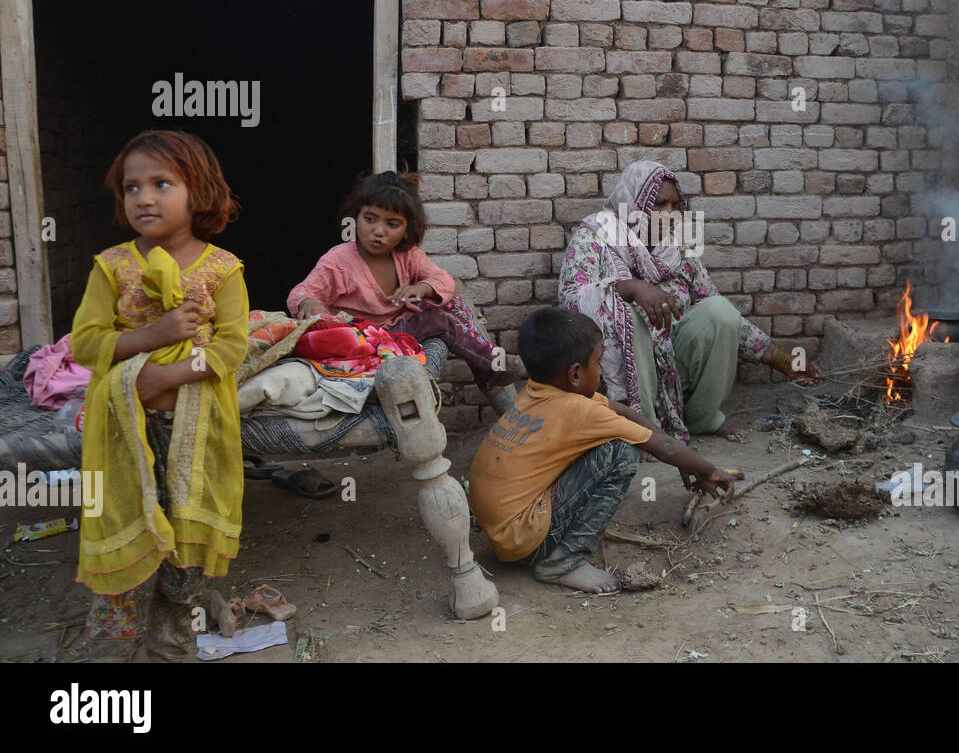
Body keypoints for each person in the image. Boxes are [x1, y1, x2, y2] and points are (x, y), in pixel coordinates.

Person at [71, 130, 249, 661]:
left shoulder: (223, 269)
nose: (144, 198)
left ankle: (171, 643)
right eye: (132, 187)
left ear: (200, 193)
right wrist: (153, 337)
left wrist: (165, 376)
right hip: (123, 430)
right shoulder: (112, 267)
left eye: (161, 183)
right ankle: (108, 653)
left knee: (185, 546)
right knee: (125, 523)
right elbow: (85, 341)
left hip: (194, 433)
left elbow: (232, 347)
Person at [468, 307, 736, 593]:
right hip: (523, 541)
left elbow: (620, 411)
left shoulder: (535, 391)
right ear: (574, 374)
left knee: (611, 441)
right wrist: (707, 470)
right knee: (620, 452)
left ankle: (552, 547)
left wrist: (680, 456)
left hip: (503, 534)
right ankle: (563, 561)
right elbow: (666, 449)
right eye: (598, 361)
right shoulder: (579, 411)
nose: (601, 369)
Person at [558, 160, 821, 444]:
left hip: (670, 369)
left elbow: (716, 307)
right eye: (659, 204)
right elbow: (571, 302)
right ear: (635, 203)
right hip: (616, 377)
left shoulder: (677, 249)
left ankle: (703, 417)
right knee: (625, 313)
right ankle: (643, 429)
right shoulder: (595, 238)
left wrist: (782, 360)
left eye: (675, 205)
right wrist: (629, 288)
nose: (669, 214)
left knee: (719, 312)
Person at [288, 170, 514, 402]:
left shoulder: (408, 255)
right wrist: (309, 301)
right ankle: (495, 367)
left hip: (397, 329)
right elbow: (301, 292)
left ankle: (493, 369)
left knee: (453, 305)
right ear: (356, 216)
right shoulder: (338, 262)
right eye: (370, 219)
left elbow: (444, 280)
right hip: (360, 339)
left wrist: (422, 288)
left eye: (392, 224)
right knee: (442, 318)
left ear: (407, 229)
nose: (378, 231)